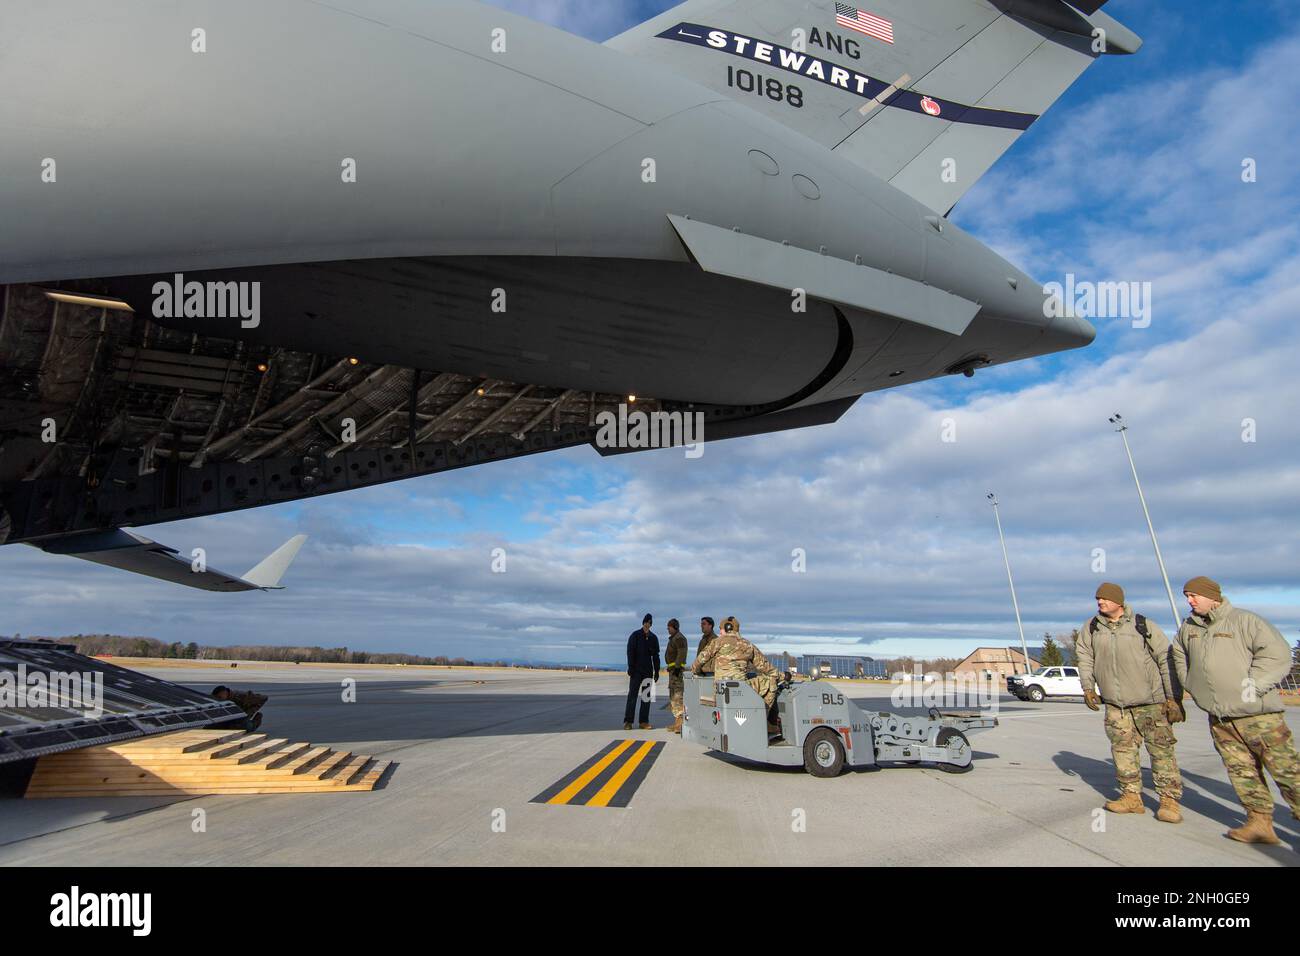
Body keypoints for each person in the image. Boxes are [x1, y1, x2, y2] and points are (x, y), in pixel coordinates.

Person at [1172, 576, 1300, 844]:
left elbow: (1277, 654)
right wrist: (1191, 685)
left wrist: (1252, 686)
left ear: (1213, 597)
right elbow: (1179, 655)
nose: (1189, 600)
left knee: (1288, 772)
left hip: (1258, 716)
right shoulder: (1189, 628)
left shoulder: (1244, 620)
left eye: (1194, 595)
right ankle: (1259, 823)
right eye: (1186, 596)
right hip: (1221, 717)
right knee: (1242, 772)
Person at [1075, 582, 1183, 822]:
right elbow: (1085, 657)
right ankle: (1131, 797)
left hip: (1150, 702)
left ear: (1118, 601)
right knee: (1122, 750)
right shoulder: (1092, 628)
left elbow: (1166, 660)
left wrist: (1173, 697)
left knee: (1161, 751)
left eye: (1104, 598)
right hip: (1116, 704)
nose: (1100, 602)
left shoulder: (1142, 625)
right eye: (1098, 599)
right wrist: (1087, 687)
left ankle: (1169, 801)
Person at [691, 616, 781, 731]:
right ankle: (763, 721)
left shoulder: (717, 642)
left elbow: (699, 661)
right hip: (741, 690)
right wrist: (781, 675)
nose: (719, 631)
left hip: (720, 691)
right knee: (771, 681)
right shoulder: (747, 645)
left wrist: (697, 671)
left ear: (727, 628)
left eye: (721, 628)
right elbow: (766, 668)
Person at [624, 613, 660, 730]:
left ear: (651, 624)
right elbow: (630, 652)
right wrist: (630, 667)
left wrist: (657, 671)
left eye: (649, 623)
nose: (647, 625)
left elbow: (656, 656)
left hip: (648, 671)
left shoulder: (653, 638)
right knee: (632, 696)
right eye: (646, 622)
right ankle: (628, 722)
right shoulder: (635, 635)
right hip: (636, 671)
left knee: (646, 697)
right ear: (643, 623)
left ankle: (643, 722)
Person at [664, 619, 688, 734]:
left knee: (678, 696)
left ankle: (680, 724)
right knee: (673, 695)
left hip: (676, 672)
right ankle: (677, 722)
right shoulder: (674, 638)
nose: (667, 629)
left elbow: (682, 653)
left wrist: (677, 668)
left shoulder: (679, 638)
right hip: (672, 671)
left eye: (669, 627)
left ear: (675, 627)